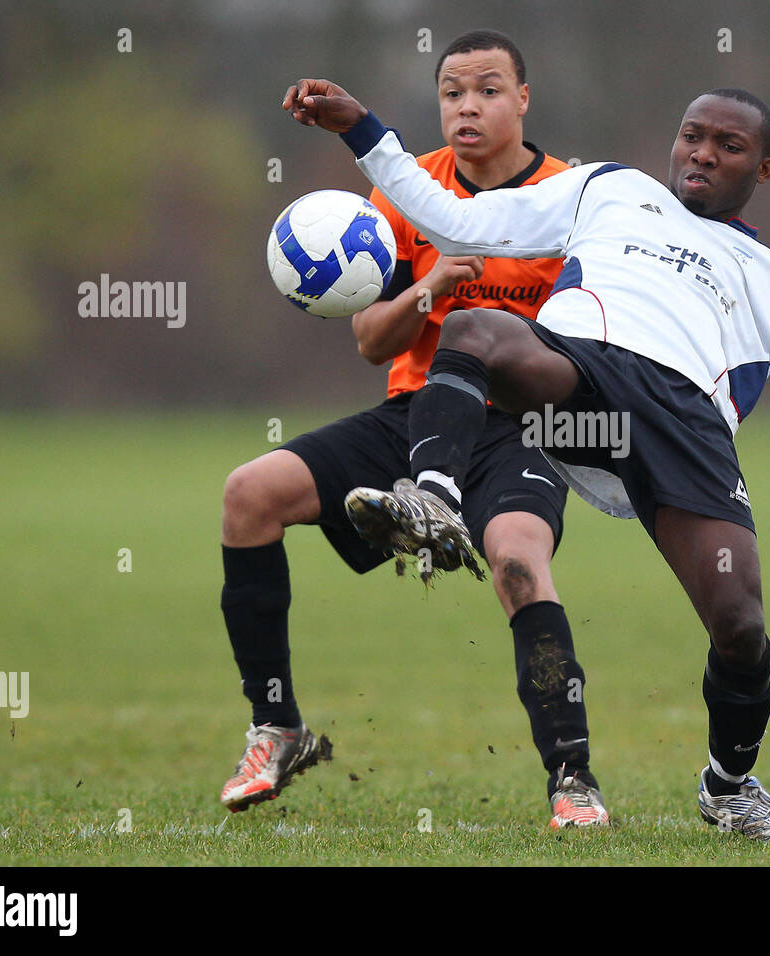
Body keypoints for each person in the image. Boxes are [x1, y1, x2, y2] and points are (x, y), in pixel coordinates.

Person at [283, 77, 770, 848]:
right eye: (692, 135)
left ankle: (730, 787)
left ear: (764, 170)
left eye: (729, 145)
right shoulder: (608, 189)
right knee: (478, 325)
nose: (702, 153)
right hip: (583, 377)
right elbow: (455, 217)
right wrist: (363, 130)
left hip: (685, 428)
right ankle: (435, 498)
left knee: (741, 626)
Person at [220, 30, 610, 830]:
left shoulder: (572, 199)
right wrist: (429, 286)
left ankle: (573, 780)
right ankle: (277, 726)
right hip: (413, 415)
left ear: (524, 99)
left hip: (517, 430)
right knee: (249, 495)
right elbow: (372, 342)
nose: (468, 106)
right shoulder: (408, 192)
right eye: (452, 92)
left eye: (489, 90)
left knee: (516, 561)